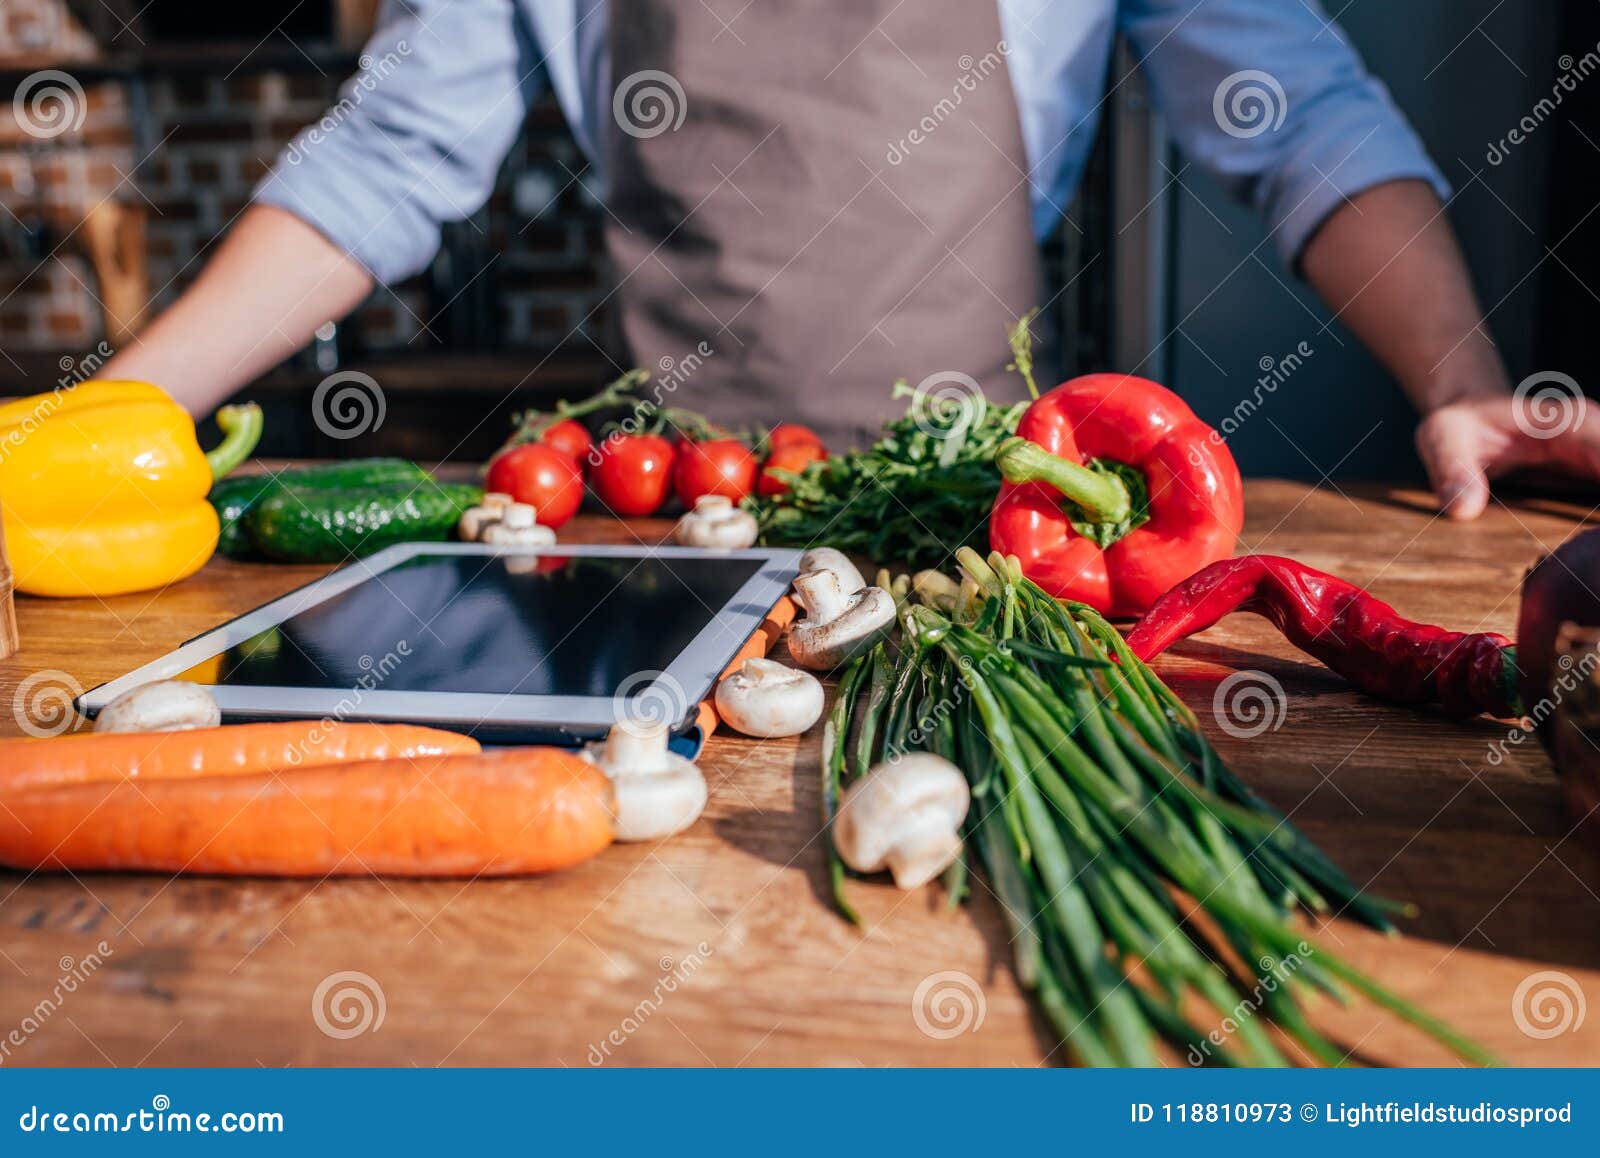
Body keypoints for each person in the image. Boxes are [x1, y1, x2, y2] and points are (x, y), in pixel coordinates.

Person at [99, 0, 1589, 520]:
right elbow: (387, 156)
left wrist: (1460, 384)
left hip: (1003, 520)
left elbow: (1297, 118)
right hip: (674, 523)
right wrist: (103, 426)